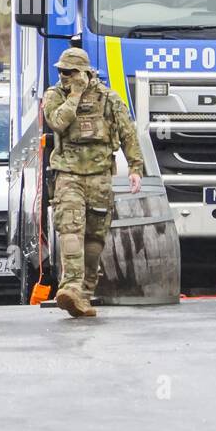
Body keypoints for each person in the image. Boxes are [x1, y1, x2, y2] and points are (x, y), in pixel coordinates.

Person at [42, 48, 144, 318]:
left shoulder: (108, 98)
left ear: (86, 72)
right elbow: (57, 122)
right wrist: (74, 95)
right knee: (71, 229)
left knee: (95, 237)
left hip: (99, 174)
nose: (64, 76)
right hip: (68, 173)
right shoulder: (55, 96)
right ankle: (70, 287)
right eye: (62, 71)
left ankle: (85, 293)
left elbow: (127, 132)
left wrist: (135, 167)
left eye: (71, 72)